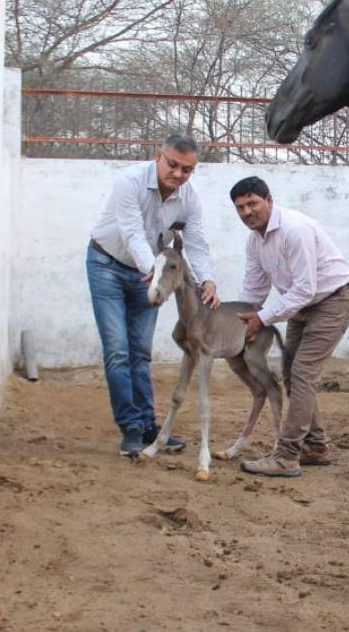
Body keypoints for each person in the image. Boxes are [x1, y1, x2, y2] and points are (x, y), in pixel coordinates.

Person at [86, 134, 220, 457]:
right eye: (173, 164)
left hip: (148, 274)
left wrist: (208, 279)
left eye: (187, 169)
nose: (178, 174)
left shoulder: (189, 198)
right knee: (118, 350)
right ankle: (130, 428)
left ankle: (149, 426)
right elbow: (132, 232)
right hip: (108, 265)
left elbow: (197, 242)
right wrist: (156, 275)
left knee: (141, 352)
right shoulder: (129, 182)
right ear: (159, 156)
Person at [229, 176, 349, 478]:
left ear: (269, 200)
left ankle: (287, 455)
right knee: (290, 372)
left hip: (333, 299)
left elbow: (305, 288)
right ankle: (315, 446)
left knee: (303, 373)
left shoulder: (293, 229)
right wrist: (239, 321)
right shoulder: (255, 241)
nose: (247, 212)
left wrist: (262, 319)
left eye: (253, 204)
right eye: (240, 208)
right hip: (301, 305)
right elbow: (253, 289)